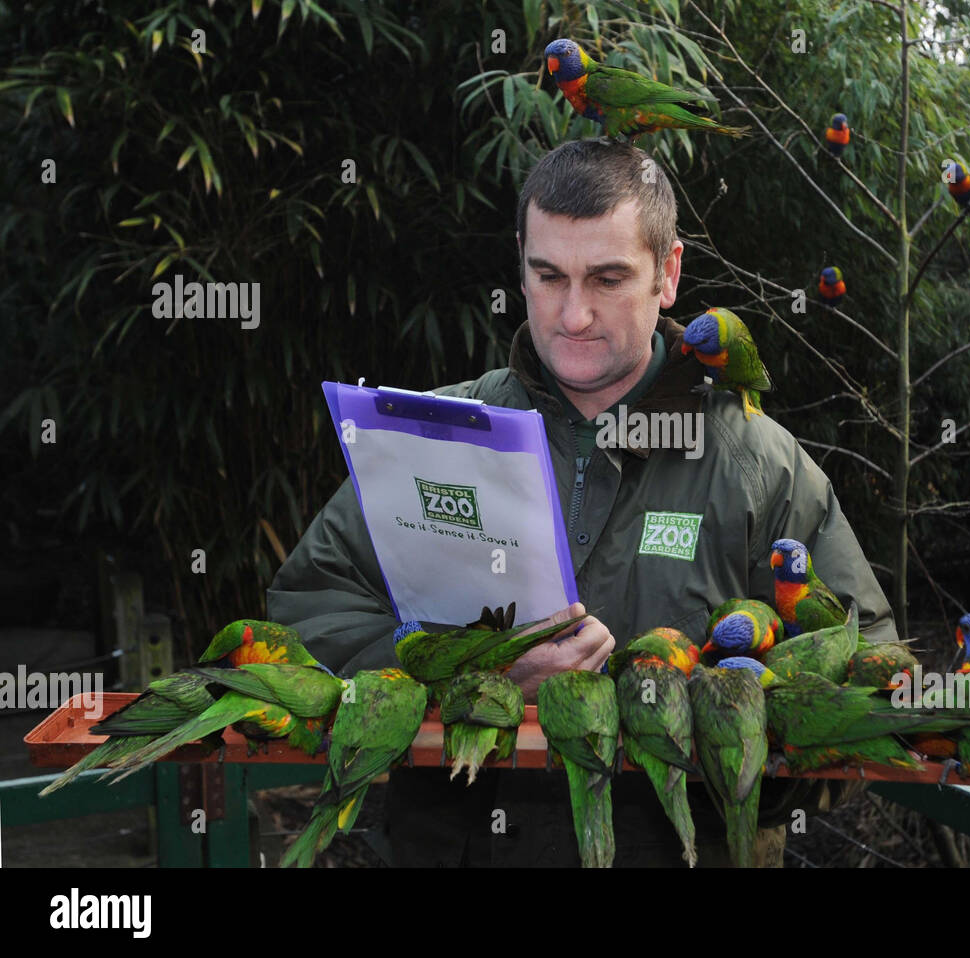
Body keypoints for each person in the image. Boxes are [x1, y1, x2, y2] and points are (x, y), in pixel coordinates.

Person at [266, 138, 898, 866]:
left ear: (668, 273)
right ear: (520, 265)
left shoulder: (760, 466)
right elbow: (305, 615)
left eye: (607, 278)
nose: (572, 316)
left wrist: (721, 746)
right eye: (548, 276)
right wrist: (468, 675)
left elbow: (866, 687)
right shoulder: (430, 437)